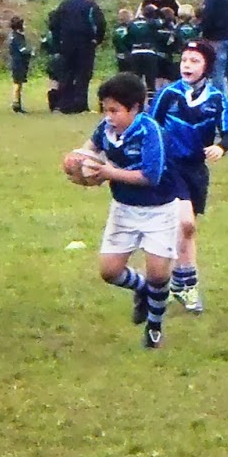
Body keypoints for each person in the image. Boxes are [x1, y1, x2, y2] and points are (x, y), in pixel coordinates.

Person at [71, 72, 179, 350]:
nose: (108, 116)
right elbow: (89, 149)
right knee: (109, 271)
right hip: (124, 209)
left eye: (114, 110)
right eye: (105, 109)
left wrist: (108, 173)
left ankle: (154, 327)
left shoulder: (150, 131)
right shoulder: (105, 129)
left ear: (134, 108)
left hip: (159, 209)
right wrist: (78, 163)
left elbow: (149, 176)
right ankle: (142, 289)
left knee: (158, 273)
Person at [149, 40, 228, 314]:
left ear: (207, 66)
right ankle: (183, 284)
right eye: (185, 59)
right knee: (185, 223)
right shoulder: (168, 94)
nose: (187, 64)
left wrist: (221, 147)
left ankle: (181, 285)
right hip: (170, 167)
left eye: (195, 60)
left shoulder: (217, 98)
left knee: (187, 228)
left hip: (196, 170)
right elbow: (150, 125)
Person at [48, 0, 107, 112]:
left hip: (66, 44)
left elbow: (53, 25)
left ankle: (65, 104)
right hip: (85, 44)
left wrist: (58, 43)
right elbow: (100, 24)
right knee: (83, 74)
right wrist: (97, 39)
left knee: (67, 73)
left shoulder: (64, 4)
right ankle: (81, 104)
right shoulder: (91, 5)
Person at [126, 4, 166, 95]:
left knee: (136, 82)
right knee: (150, 82)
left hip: (135, 53)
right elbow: (164, 21)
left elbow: (127, 38)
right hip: (149, 53)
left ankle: (137, 103)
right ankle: (151, 103)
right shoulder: (152, 22)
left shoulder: (131, 23)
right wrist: (159, 11)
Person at [7, 15, 32, 114]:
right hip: (19, 62)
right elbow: (23, 50)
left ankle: (17, 103)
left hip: (15, 61)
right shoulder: (18, 37)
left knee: (18, 82)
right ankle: (16, 103)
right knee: (18, 83)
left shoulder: (12, 35)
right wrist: (31, 51)